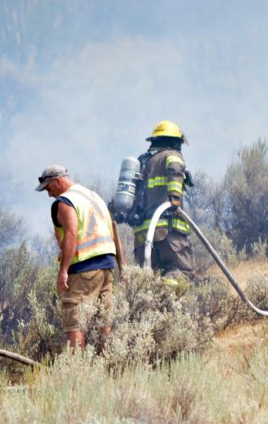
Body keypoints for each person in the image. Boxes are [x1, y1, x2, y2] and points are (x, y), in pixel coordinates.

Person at [35, 165, 116, 352]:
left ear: (58, 181)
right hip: (107, 267)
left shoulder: (66, 201)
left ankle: (77, 366)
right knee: (104, 321)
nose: (49, 194)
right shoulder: (93, 196)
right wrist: (121, 262)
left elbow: (71, 233)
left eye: (49, 188)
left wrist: (63, 271)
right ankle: (109, 362)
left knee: (75, 322)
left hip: (83, 269)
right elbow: (113, 226)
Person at [131, 120, 195, 283]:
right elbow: (175, 169)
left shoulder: (142, 163)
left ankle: (157, 298)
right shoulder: (171, 155)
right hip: (168, 233)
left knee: (150, 280)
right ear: (173, 141)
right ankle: (167, 294)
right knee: (181, 272)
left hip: (142, 238)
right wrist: (175, 197)